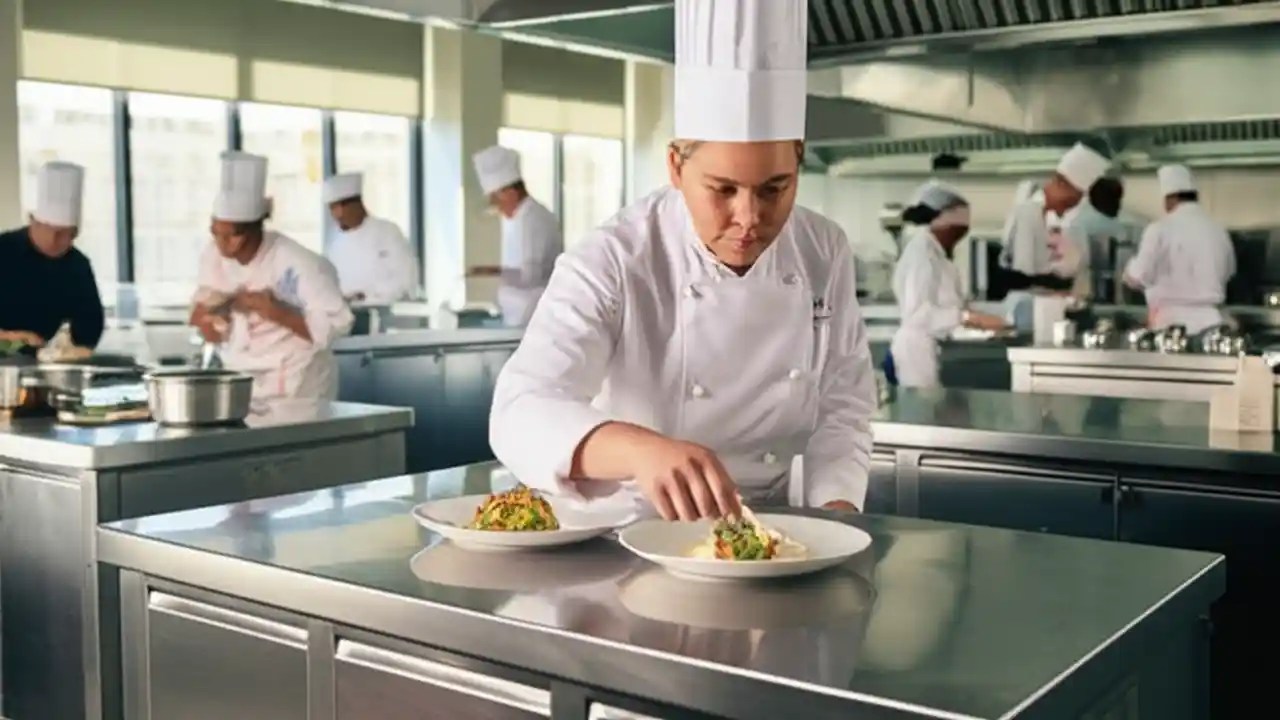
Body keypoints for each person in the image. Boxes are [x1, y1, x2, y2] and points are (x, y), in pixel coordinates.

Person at [489, 0, 877, 521]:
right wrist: (640, 450)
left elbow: (844, 406)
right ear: (675, 166)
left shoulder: (822, 248)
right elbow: (519, 411)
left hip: (768, 535)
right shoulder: (615, 258)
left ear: (799, 162)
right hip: (628, 536)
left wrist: (835, 515)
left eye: (774, 188)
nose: (749, 217)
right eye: (723, 189)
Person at [189, 152, 354, 400]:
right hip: (242, 379)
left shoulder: (298, 263)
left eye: (232, 235)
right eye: (216, 233)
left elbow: (339, 324)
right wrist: (209, 318)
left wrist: (275, 311)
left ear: (258, 225)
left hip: (296, 384)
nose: (222, 244)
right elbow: (206, 323)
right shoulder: (213, 256)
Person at [889, 183, 1008, 389]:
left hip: (934, 349)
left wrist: (978, 318)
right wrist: (968, 317)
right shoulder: (922, 253)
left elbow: (947, 305)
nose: (960, 238)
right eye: (959, 232)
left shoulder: (939, 255)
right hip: (917, 353)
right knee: (923, 414)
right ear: (946, 225)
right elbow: (918, 314)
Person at [999, 143, 1111, 327]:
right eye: (1073, 197)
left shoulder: (1057, 219)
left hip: (1048, 308)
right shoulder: (1028, 213)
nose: (1073, 204)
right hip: (1026, 309)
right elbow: (1022, 272)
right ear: (1060, 183)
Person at [0, 162, 104, 351]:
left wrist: (70, 347)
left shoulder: (78, 267)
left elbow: (90, 328)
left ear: (75, 233)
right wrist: (11, 337)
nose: (55, 240)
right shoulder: (3, 250)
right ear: (32, 221)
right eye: (50, 230)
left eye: (65, 234)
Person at [1124, 164, 1235, 333]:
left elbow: (1139, 276)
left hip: (1171, 325)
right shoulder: (1218, 230)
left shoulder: (1159, 229)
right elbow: (1229, 272)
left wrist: (1127, 272)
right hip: (1212, 324)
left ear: (1170, 199)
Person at [468, 146, 563, 327]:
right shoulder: (519, 219)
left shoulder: (534, 220)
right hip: (516, 314)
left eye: (496, 200)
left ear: (510, 193)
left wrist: (494, 271)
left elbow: (530, 276)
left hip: (531, 314)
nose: (496, 208)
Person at [323, 172, 419, 305]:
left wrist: (367, 295)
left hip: (386, 313)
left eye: (340, 208)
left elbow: (407, 279)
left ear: (357, 204)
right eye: (332, 209)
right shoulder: (334, 244)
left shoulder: (388, 232)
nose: (337, 215)